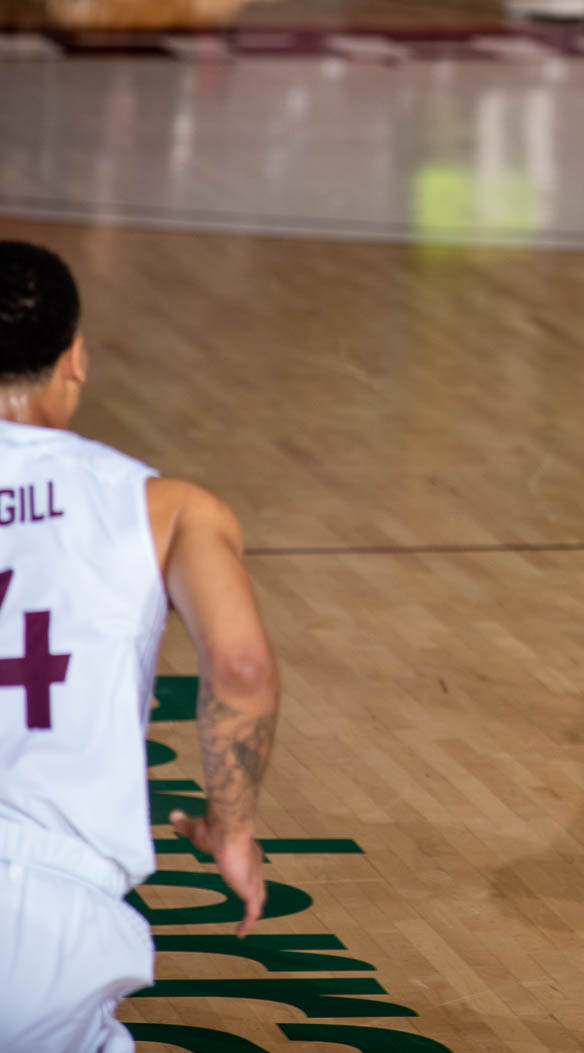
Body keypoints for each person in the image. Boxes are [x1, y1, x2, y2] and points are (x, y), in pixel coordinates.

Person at [0, 240, 279, 1052]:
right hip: (45, 915)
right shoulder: (166, 507)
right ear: (75, 359)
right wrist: (232, 823)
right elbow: (241, 665)